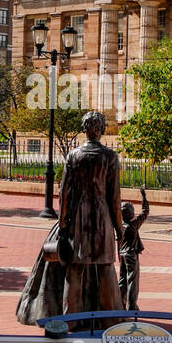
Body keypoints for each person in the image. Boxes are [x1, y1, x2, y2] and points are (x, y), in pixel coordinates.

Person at [58, 110, 123, 314]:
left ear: (84, 129)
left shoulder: (73, 156)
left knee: (75, 269)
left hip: (79, 216)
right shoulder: (109, 157)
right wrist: (119, 227)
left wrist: (63, 223)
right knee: (105, 269)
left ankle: (71, 318)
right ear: (102, 130)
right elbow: (115, 197)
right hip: (102, 218)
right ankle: (109, 318)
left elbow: (64, 193)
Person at [119, 186, 150, 311]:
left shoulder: (120, 224)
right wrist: (143, 196)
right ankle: (131, 306)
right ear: (130, 214)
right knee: (132, 280)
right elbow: (145, 212)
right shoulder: (132, 226)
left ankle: (120, 303)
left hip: (122, 254)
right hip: (131, 255)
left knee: (122, 280)